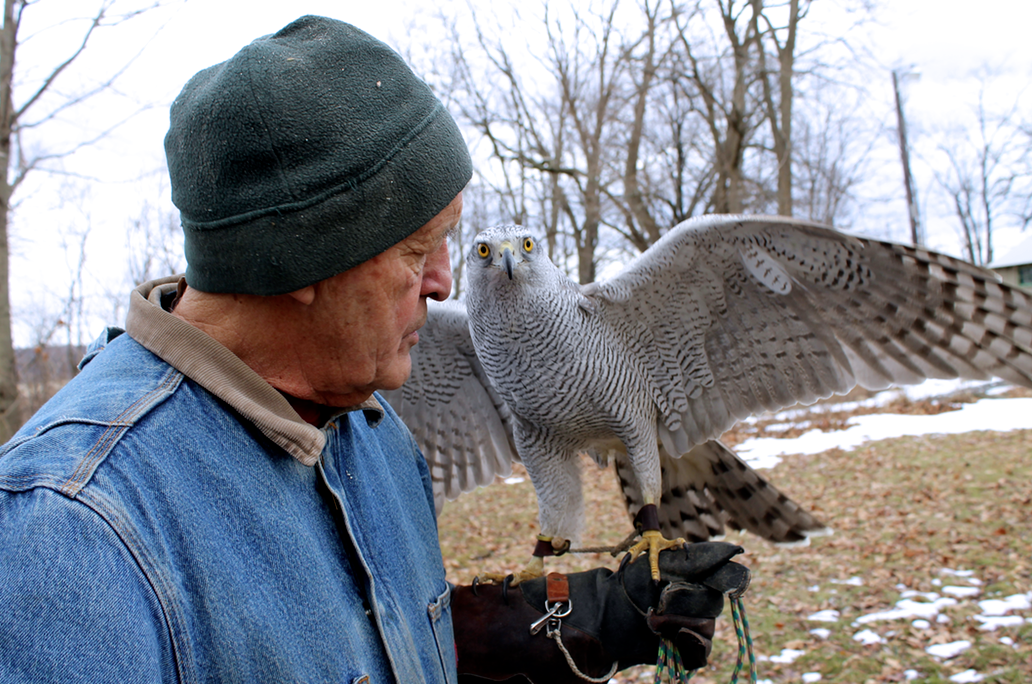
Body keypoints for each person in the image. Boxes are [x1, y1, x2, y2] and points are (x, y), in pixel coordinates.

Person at [0, 15, 747, 683]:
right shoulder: (67, 532)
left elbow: (380, 637)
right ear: (298, 260)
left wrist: (586, 614)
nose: (446, 284)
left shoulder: (368, 425)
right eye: (418, 249)